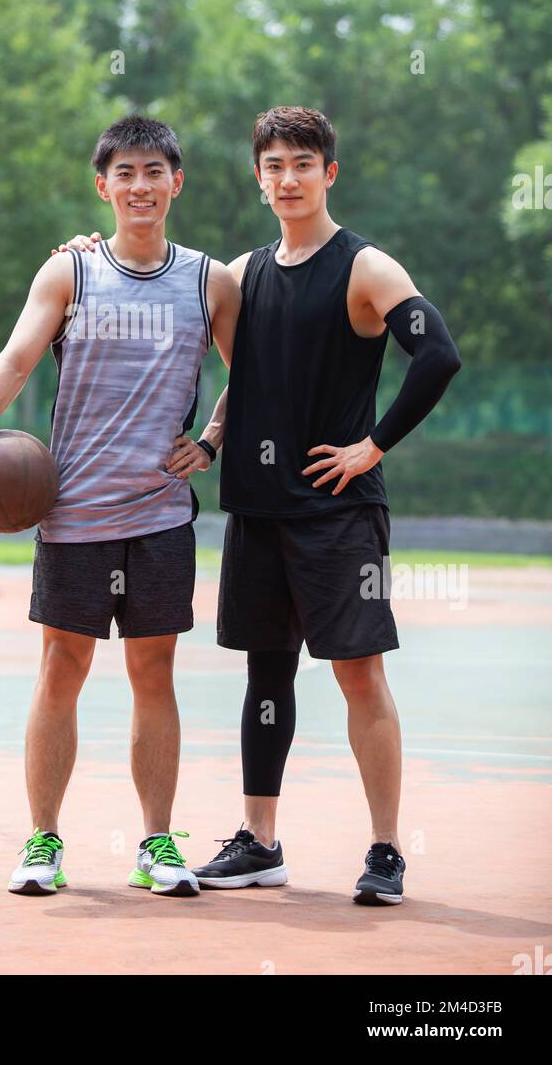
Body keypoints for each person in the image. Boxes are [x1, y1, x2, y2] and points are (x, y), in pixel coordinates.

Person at [61, 105, 461, 906]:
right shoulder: (239, 274)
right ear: (257, 177)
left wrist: (372, 446)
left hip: (338, 512)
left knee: (358, 676)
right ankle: (261, 842)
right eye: (273, 165)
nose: (287, 178)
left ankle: (385, 850)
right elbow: (251, 372)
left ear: (328, 173)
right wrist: (210, 440)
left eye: (302, 165)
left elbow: (438, 355)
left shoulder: (366, 268)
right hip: (257, 509)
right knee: (266, 674)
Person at [0, 115, 240, 897]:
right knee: (61, 670)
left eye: (154, 172)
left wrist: (209, 439)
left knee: (155, 673)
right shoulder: (70, 273)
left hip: (159, 516)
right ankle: (43, 841)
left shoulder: (211, 281)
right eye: (125, 173)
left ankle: (155, 846)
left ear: (177, 183)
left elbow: (253, 377)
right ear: (101, 185)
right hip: (72, 513)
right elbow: (15, 358)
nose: (139, 186)